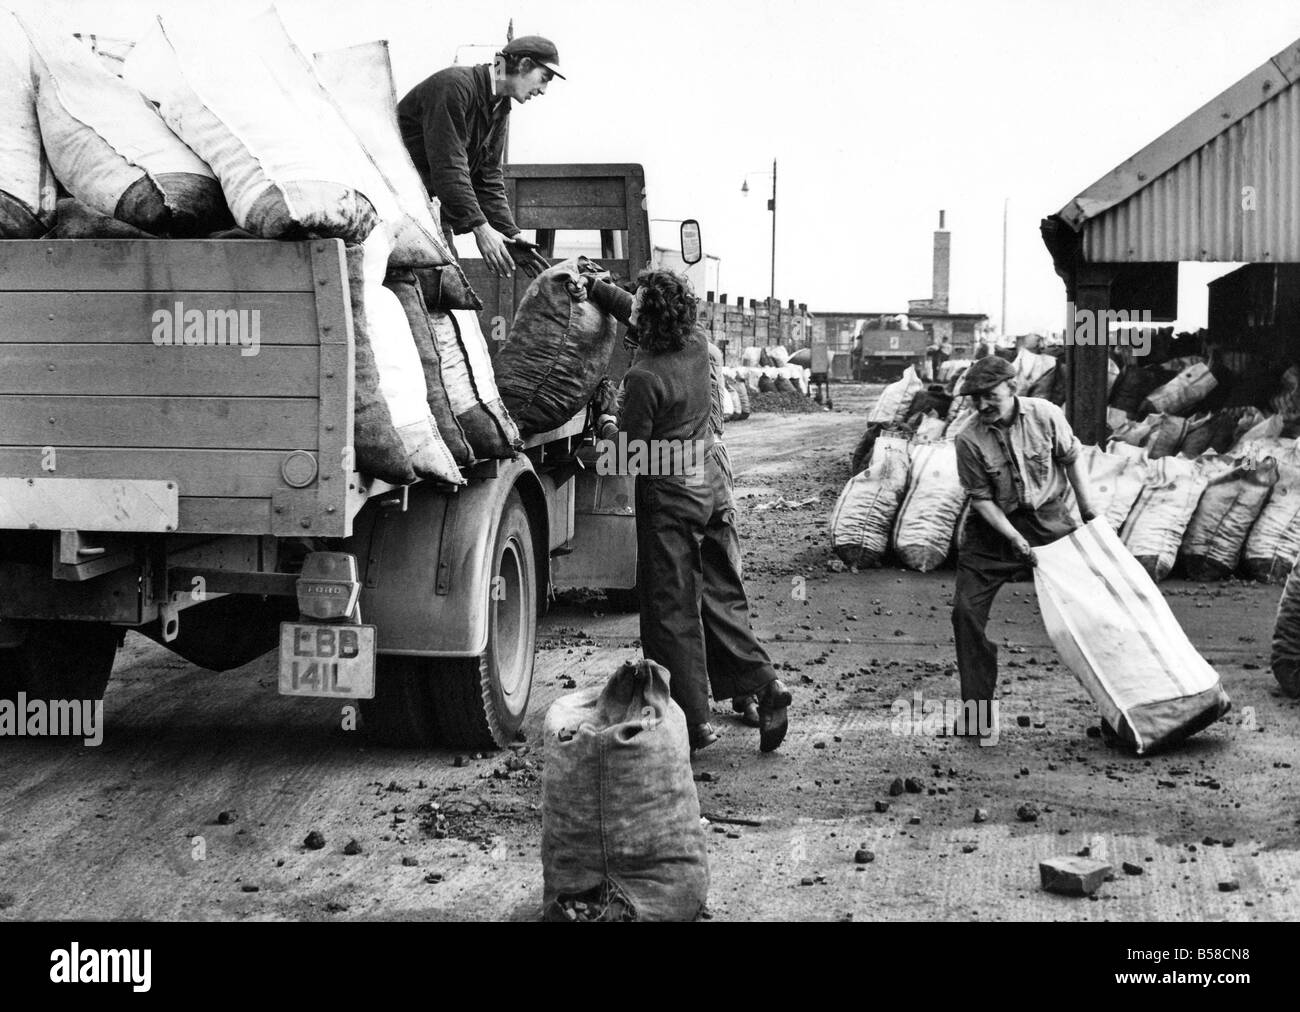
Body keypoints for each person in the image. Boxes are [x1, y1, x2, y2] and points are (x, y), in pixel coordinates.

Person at [585, 269, 792, 753]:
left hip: (672, 500)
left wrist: (606, 428)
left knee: (671, 609)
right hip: (713, 488)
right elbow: (641, 312)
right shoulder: (698, 343)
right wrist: (599, 289)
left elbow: (631, 456)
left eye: (637, 305)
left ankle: (694, 722)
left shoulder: (642, 377)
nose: (630, 309)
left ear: (648, 319)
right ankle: (765, 685)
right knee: (722, 599)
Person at [950, 355, 1097, 741]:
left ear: (1012, 387)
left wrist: (1088, 510)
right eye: (974, 398)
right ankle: (977, 715)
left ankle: (1122, 711)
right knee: (965, 613)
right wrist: (1014, 539)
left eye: (989, 395)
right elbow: (981, 499)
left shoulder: (1046, 415)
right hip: (991, 531)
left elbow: (1071, 458)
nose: (981, 405)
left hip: (1050, 521)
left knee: (1095, 608)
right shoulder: (967, 438)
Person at [397, 35, 561, 279]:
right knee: (441, 287)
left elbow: (488, 177)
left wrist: (511, 234)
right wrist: (481, 228)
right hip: (397, 212)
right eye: (544, 78)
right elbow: (449, 166)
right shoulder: (454, 86)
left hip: (426, 213)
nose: (543, 90)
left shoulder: (500, 107)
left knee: (449, 286)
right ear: (524, 65)